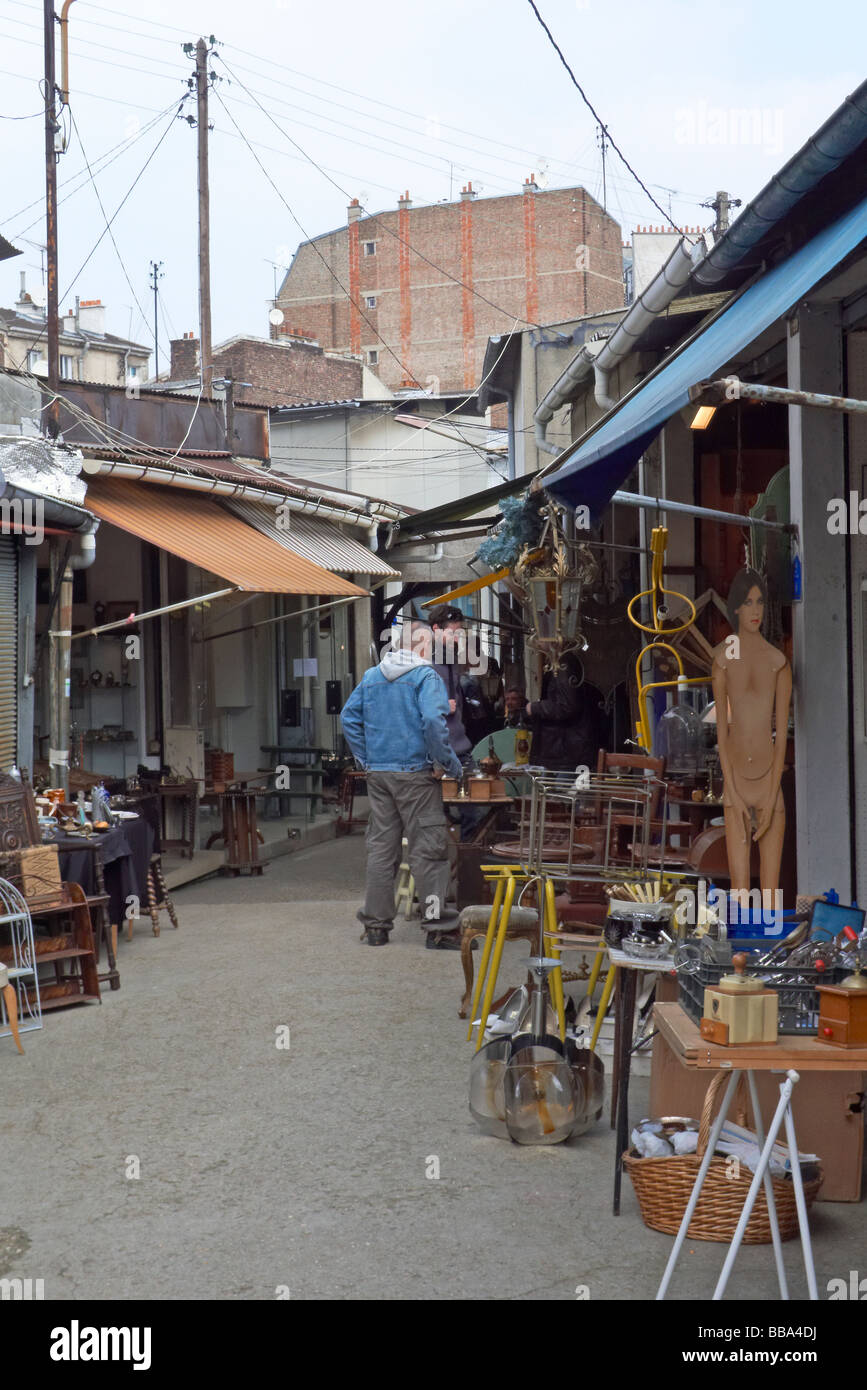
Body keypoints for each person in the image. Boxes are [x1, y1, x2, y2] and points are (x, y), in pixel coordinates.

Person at [339, 621, 464, 949]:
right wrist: (447, 763)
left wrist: (366, 759)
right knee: (430, 853)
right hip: (416, 776)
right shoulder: (426, 677)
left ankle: (376, 927)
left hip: (380, 775)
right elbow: (433, 721)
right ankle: (437, 928)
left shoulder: (372, 677)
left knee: (382, 850)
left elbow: (348, 718)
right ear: (423, 646)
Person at [712, 568, 791, 903]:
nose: (755, 610)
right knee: (740, 888)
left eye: (760, 602)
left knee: (771, 891)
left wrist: (772, 797)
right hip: (737, 782)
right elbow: (722, 732)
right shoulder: (722, 661)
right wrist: (731, 790)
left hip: (768, 778)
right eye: (748, 602)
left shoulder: (778, 662)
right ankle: (741, 940)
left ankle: (770, 937)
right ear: (736, 608)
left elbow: (781, 734)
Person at [525, 652, 605, 773]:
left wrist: (536, 707)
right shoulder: (560, 662)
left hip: (568, 750)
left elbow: (567, 706)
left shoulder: (564, 664)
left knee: (562, 783)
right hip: (566, 748)